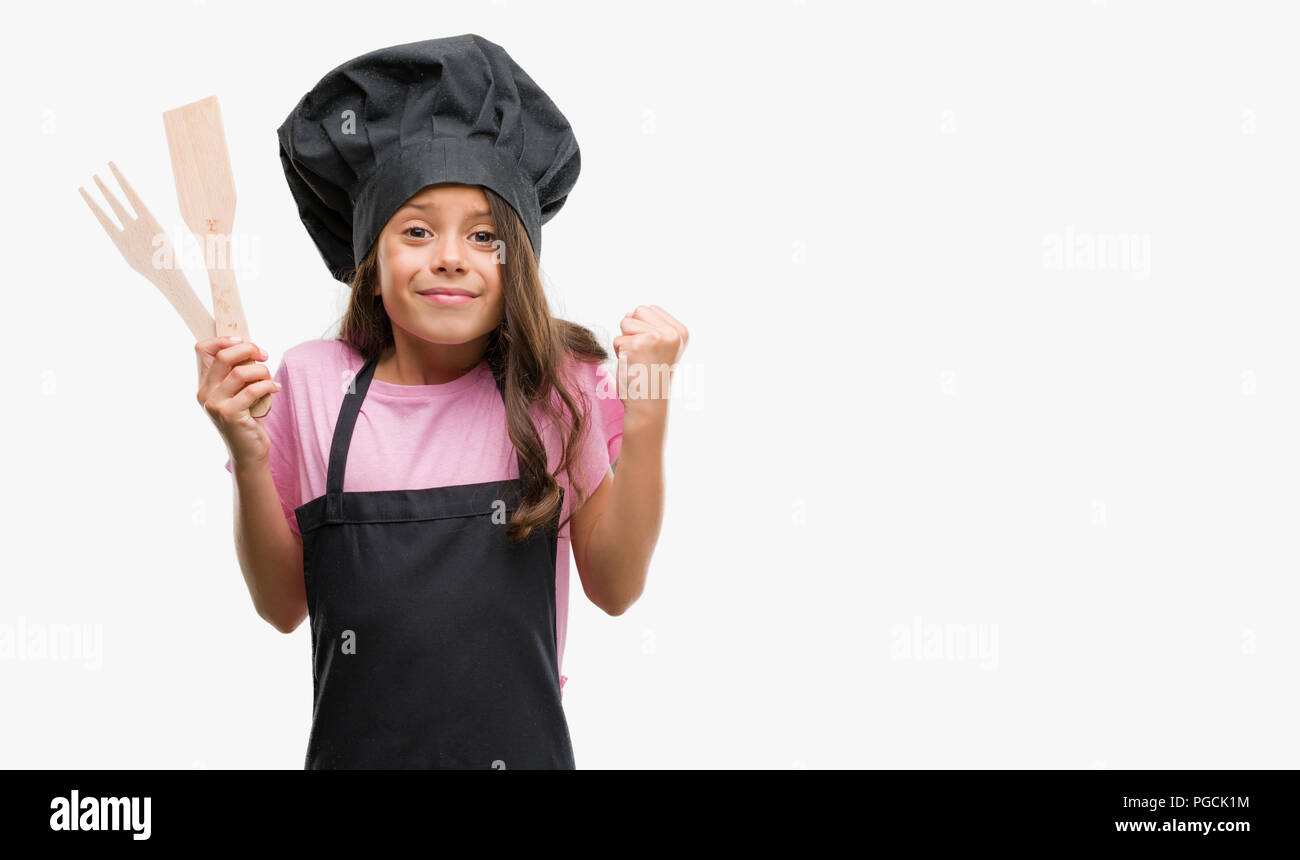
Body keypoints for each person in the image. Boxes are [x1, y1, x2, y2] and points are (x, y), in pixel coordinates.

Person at [193, 34, 687, 769]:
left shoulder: (558, 387)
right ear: (371, 263)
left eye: (484, 234)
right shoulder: (312, 382)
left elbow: (615, 587)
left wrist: (647, 413)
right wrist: (247, 452)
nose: (450, 255)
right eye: (416, 230)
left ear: (516, 260)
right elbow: (282, 606)